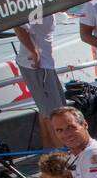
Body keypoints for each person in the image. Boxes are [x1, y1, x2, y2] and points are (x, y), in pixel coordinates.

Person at [15, 11, 66, 149]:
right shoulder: (36, 7)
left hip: (46, 64)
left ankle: (48, 149)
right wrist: (34, 51)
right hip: (37, 65)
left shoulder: (48, 6)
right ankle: (62, 153)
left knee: (47, 109)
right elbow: (19, 26)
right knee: (54, 112)